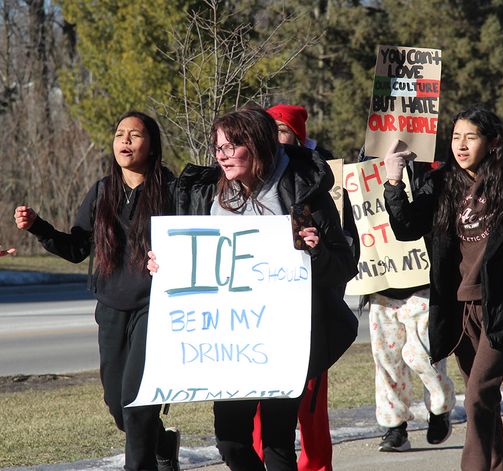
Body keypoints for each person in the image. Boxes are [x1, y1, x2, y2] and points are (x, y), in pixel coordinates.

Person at [148, 106, 358, 471]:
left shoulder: (304, 192)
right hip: (230, 345)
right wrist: (165, 266)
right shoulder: (207, 195)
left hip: (286, 340)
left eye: (232, 146)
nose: (223, 156)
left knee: (277, 445)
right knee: (230, 443)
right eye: (218, 148)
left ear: (258, 145)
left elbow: (344, 265)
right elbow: (193, 257)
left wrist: (318, 250)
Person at [383, 105, 503, 471]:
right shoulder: (443, 181)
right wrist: (394, 183)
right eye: (456, 137)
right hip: (458, 309)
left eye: (470, 138)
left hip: (502, 303)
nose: (460, 145)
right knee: (484, 400)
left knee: (477, 395)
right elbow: (406, 228)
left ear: (491, 143)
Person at [14, 111, 180, 471]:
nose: (125, 140)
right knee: (118, 407)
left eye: (135, 135)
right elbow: (77, 249)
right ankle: (163, 442)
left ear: (151, 146)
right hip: (111, 307)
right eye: (120, 133)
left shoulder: (171, 190)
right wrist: (39, 227)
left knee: (137, 408)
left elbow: (190, 244)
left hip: (154, 309)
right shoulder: (103, 190)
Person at [244, 102, 359, 471]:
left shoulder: (318, 180)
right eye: (269, 131)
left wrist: (317, 250)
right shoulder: (238, 182)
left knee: (310, 405)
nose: (274, 138)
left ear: (297, 137)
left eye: (282, 132)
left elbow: (344, 251)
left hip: (310, 315)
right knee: (263, 411)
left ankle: (316, 466)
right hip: (260, 319)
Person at [356, 146, 456, 452]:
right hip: (382, 282)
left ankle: (439, 406)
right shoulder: (366, 163)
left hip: (421, 280)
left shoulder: (436, 167)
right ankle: (394, 427)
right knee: (386, 361)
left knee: (421, 354)